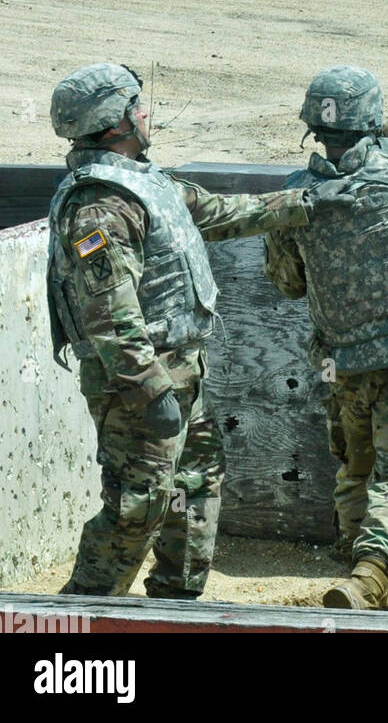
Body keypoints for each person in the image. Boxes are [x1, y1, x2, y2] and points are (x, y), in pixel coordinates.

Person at [47, 61, 317, 599]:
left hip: (179, 369)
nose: (147, 114)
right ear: (115, 122)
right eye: (137, 107)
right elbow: (110, 316)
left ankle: (177, 600)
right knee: (137, 503)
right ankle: (82, 612)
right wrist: (149, 390)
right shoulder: (101, 206)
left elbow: (220, 213)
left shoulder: (146, 184)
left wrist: (306, 203)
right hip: (138, 380)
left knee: (195, 485)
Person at [263, 65, 388, 611]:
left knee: (358, 464)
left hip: (341, 361)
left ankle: (357, 567)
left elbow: (287, 282)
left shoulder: (293, 196)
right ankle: (370, 578)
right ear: (370, 118)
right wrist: (385, 134)